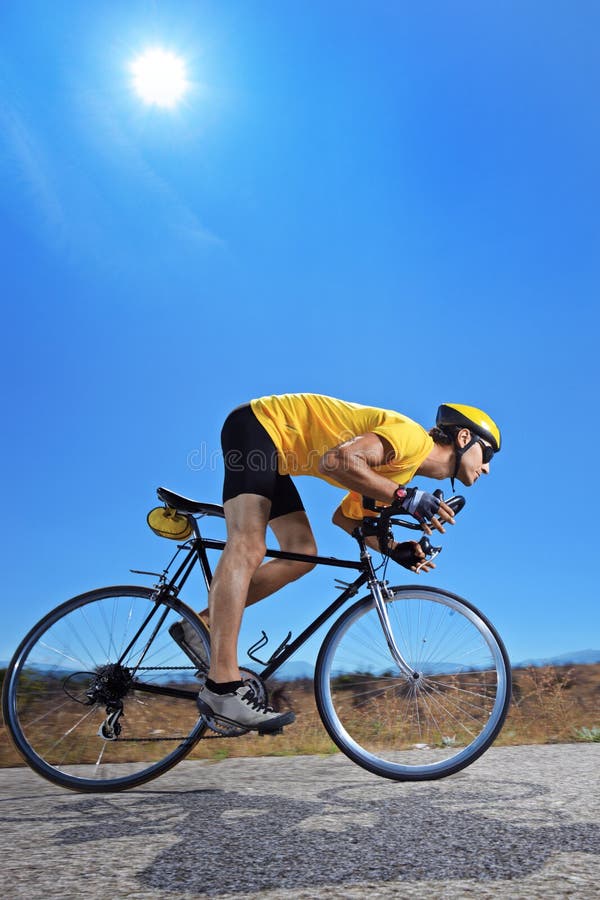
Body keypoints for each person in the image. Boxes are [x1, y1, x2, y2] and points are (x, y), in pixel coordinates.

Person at [173, 393, 501, 734]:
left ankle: (198, 626)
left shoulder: (401, 470)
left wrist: (393, 548)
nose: (488, 467)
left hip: (275, 449)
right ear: (464, 438)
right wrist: (406, 499)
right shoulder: (411, 438)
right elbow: (337, 461)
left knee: (302, 553)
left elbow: (347, 518)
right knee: (249, 545)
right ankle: (222, 689)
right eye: (488, 453)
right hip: (259, 426)